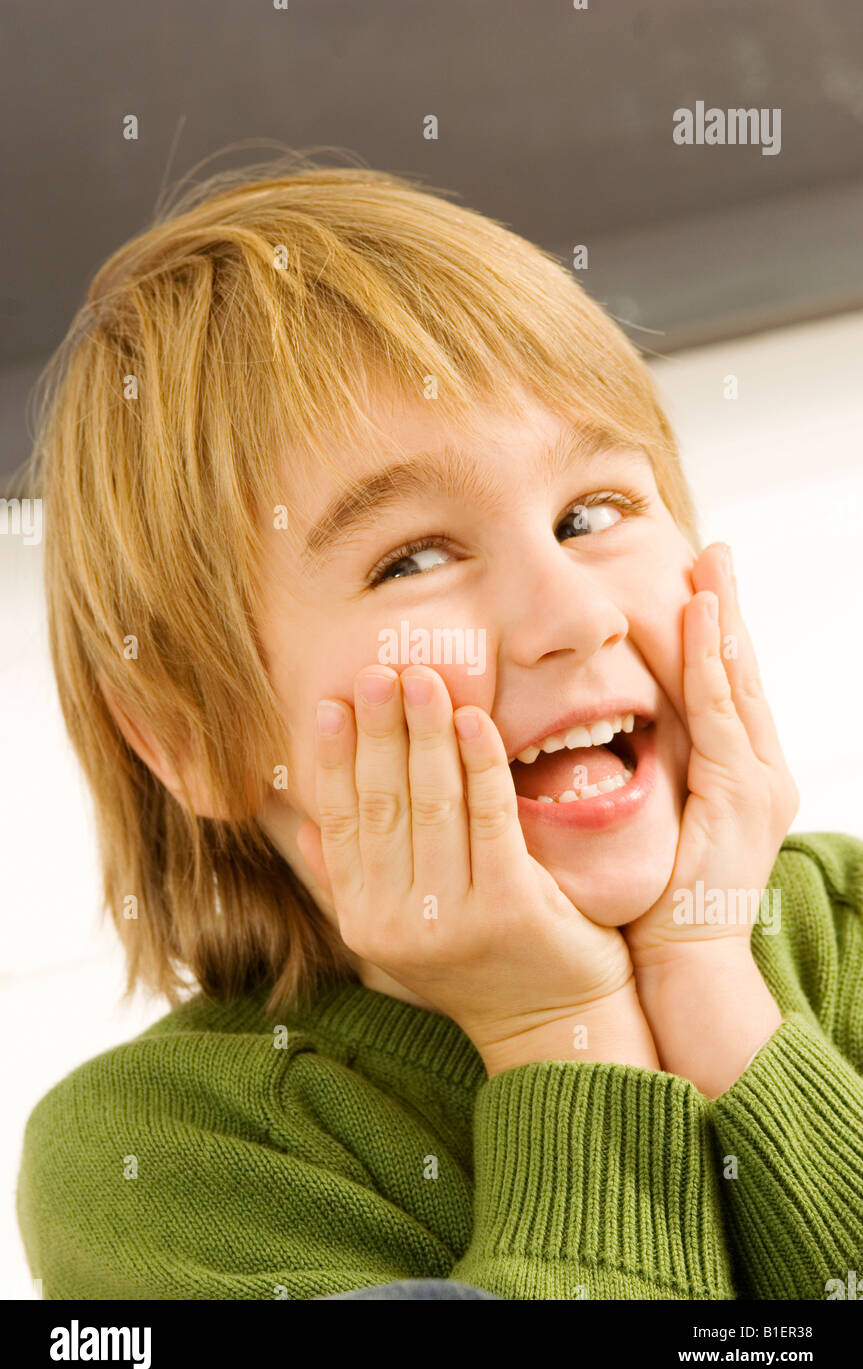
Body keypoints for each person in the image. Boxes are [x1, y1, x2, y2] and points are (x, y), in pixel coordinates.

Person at [16, 156, 863, 1300]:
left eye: (590, 512)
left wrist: (708, 981)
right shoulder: (160, 1164)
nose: (571, 615)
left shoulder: (845, 930)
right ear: (190, 737)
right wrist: (561, 1029)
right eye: (412, 559)